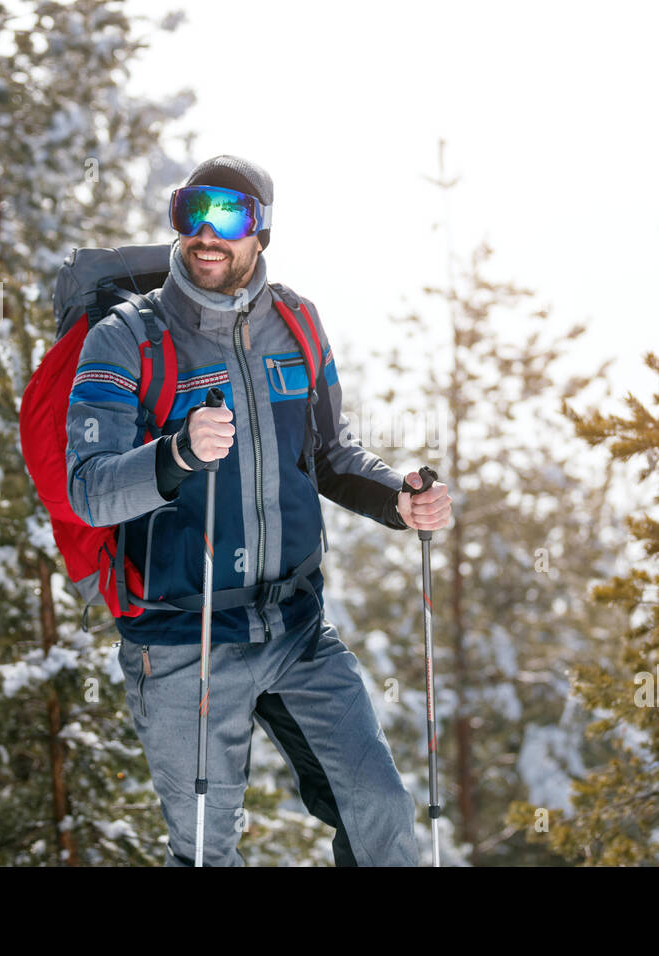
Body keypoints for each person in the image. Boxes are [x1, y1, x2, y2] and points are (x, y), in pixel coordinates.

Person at [65, 154, 452, 866]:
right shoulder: (125, 339)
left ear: (262, 232)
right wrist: (175, 454)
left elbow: (332, 455)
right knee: (208, 852)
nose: (207, 234)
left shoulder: (297, 325)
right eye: (192, 210)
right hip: (182, 640)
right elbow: (88, 489)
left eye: (231, 216)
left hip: (295, 625)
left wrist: (398, 497)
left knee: (381, 813)